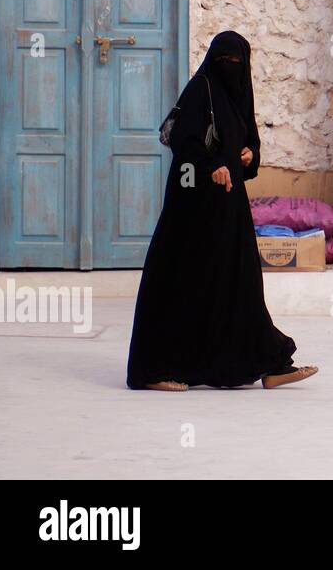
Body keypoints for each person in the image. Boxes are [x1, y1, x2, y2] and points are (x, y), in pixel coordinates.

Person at [127, 31, 317, 391]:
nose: (230, 69)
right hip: (191, 208)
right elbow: (182, 141)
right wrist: (210, 164)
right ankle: (153, 371)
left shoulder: (239, 97)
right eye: (224, 62)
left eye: (236, 63)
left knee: (240, 283)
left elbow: (249, 142)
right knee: (180, 282)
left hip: (229, 208)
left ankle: (270, 364)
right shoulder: (201, 89)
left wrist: (249, 156)